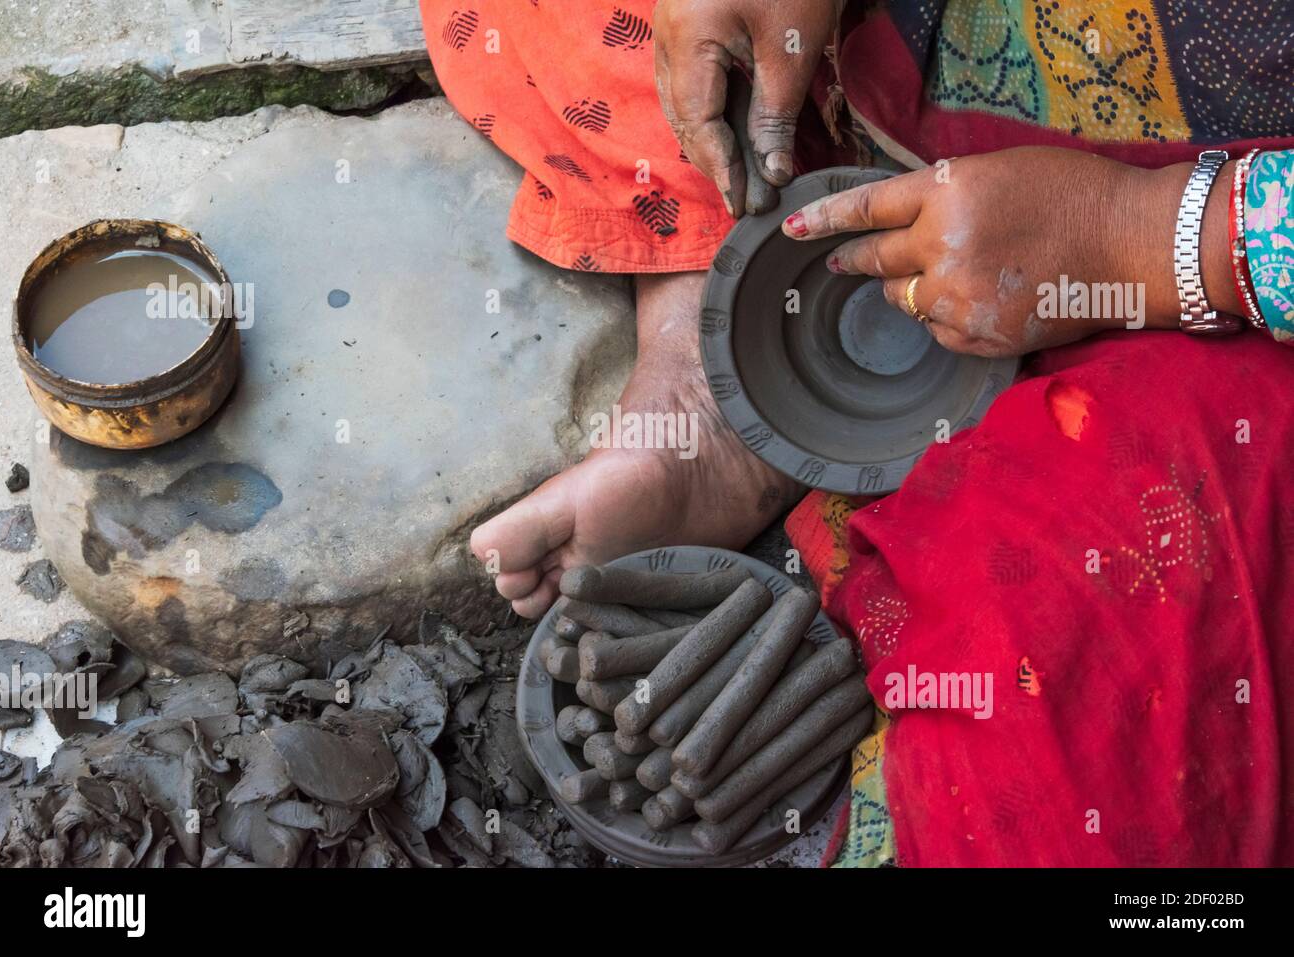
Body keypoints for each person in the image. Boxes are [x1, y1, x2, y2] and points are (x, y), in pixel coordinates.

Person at [418, 0, 1294, 866]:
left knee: (1059, 713)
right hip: (885, 76)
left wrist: (1150, 237)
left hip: (1204, 258)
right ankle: (711, 361)